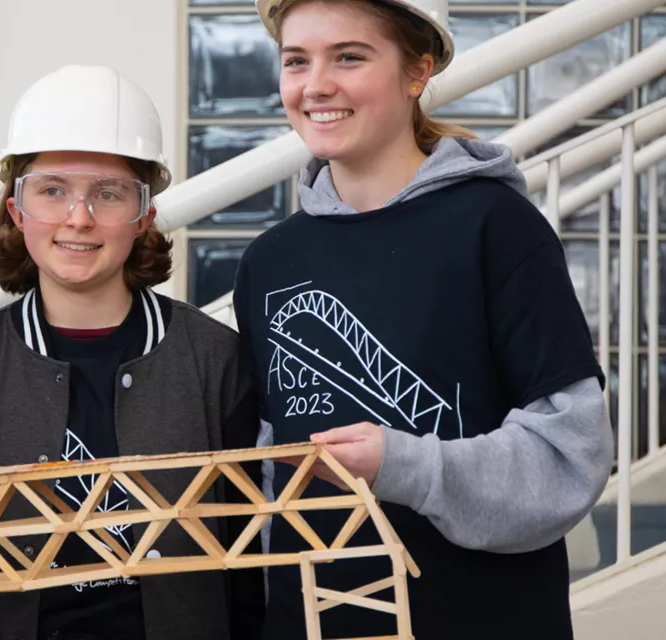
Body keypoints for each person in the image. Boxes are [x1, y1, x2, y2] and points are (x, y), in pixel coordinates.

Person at [234, 1, 615, 638]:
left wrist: (405, 465)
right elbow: (272, 479)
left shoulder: (496, 228)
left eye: (349, 56)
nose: (316, 84)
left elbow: (570, 457)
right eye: (296, 61)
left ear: (418, 71)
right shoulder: (271, 261)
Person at [0, 64, 265, 640]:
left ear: (144, 217)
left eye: (109, 194)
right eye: (52, 191)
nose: (79, 218)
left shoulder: (218, 361)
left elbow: (251, 579)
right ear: (17, 212)